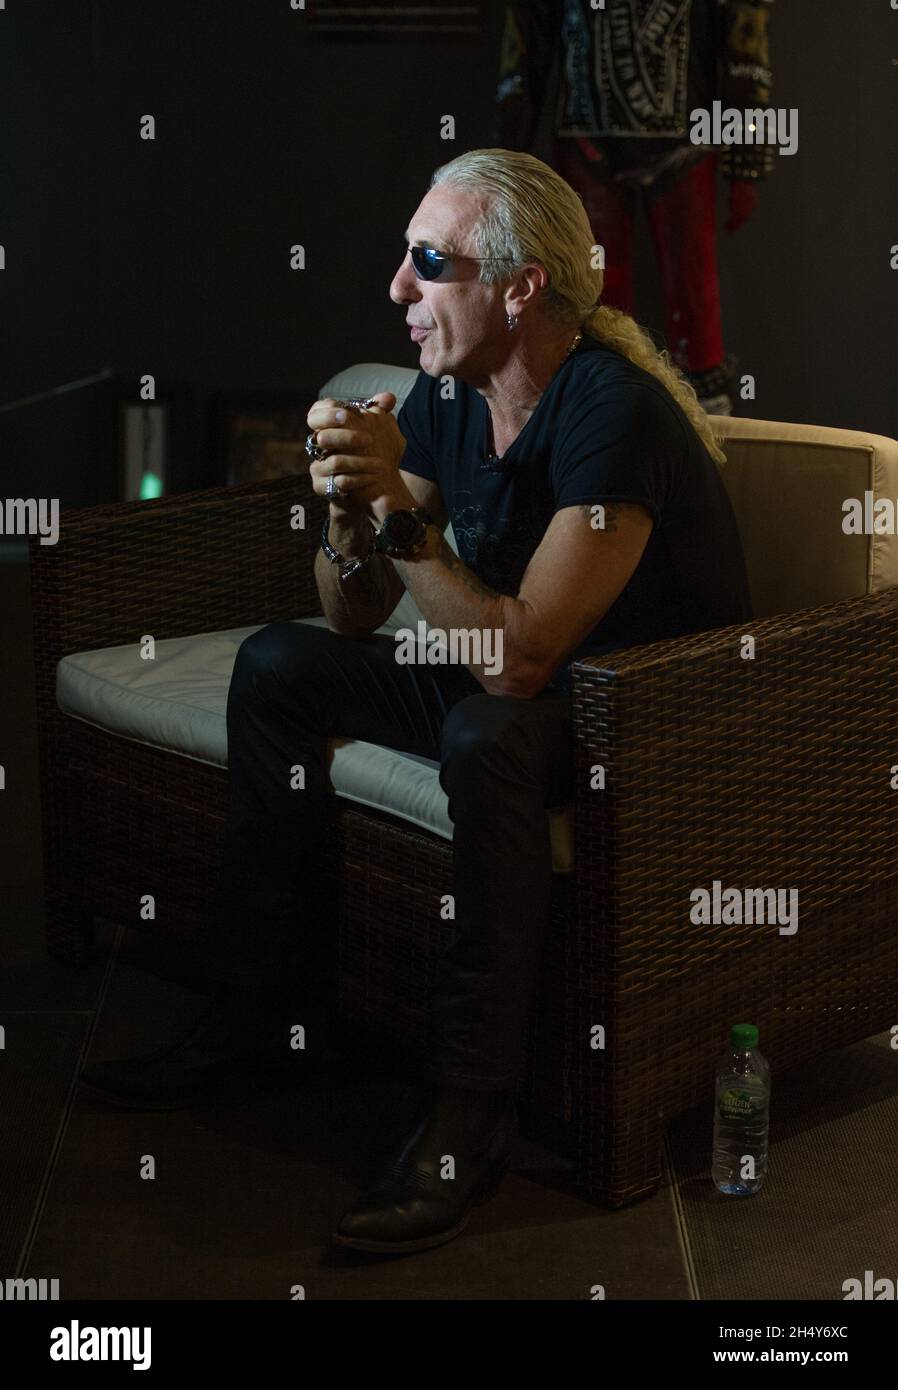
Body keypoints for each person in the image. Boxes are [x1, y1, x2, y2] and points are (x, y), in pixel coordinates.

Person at [80, 147, 752, 1256]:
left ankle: (467, 1114)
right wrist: (351, 512)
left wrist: (395, 502)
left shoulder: (607, 411)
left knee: (486, 731)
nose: (397, 288)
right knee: (283, 665)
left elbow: (519, 663)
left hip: (645, 708)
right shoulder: (452, 393)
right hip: (529, 673)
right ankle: (257, 1011)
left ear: (518, 286)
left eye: (427, 262)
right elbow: (353, 618)